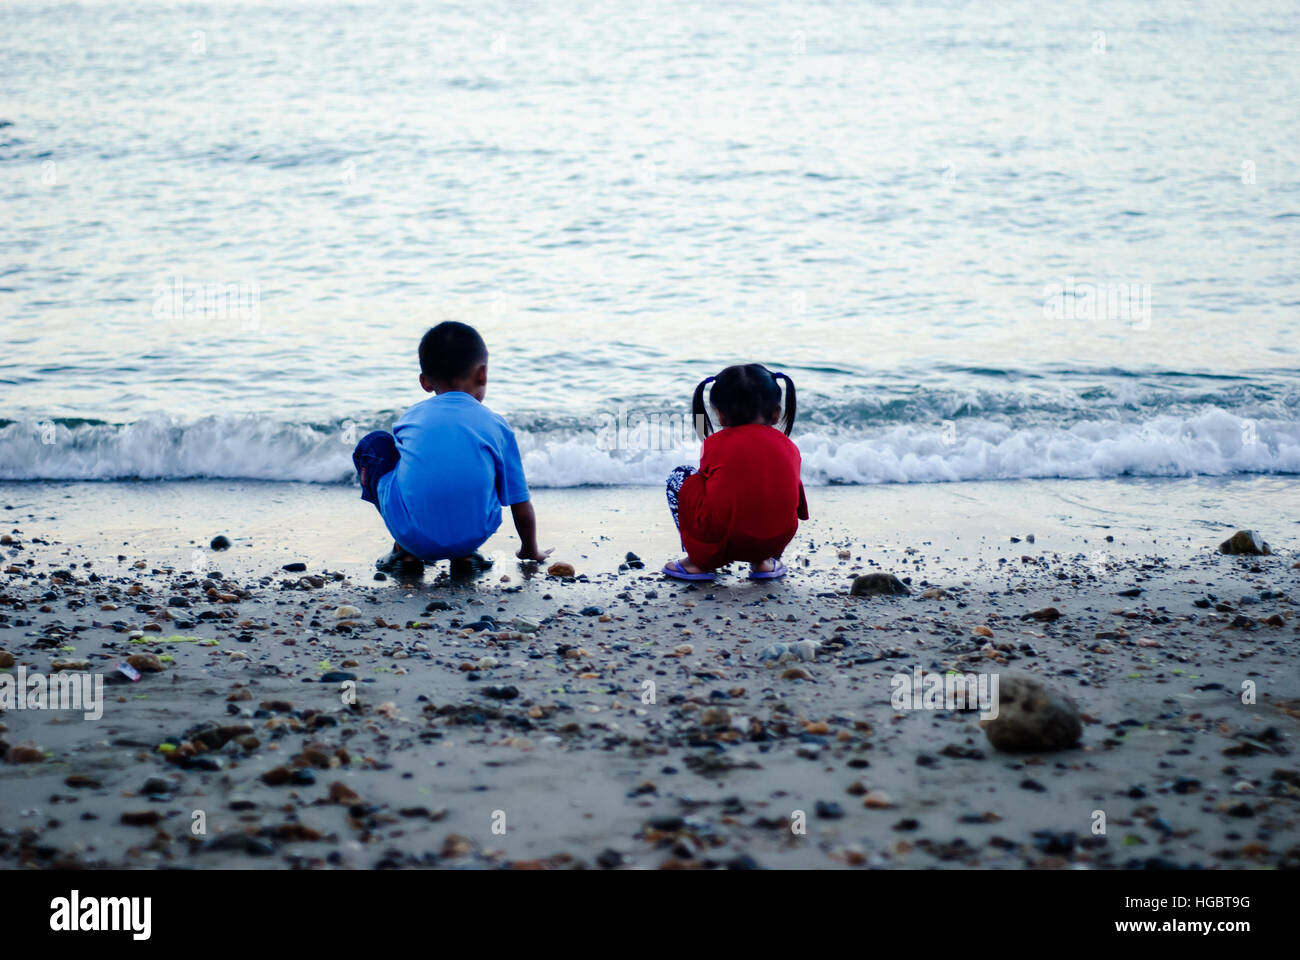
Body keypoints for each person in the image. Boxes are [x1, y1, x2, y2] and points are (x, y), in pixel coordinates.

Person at [352, 320, 550, 576]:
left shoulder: (410, 419)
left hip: (414, 536)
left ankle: (405, 550)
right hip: (474, 536)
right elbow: (520, 505)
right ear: (483, 373)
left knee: (375, 444)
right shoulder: (497, 426)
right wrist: (529, 551)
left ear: (424, 382)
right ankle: (465, 556)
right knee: (482, 468)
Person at [662, 363, 808, 582]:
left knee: (683, 477)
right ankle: (764, 562)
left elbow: (717, 493)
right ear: (776, 413)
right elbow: (797, 499)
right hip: (777, 539)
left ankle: (698, 562)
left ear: (720, 416)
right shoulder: (789, 446)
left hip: (726, 541)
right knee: (768, 484)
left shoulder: (714, 443)